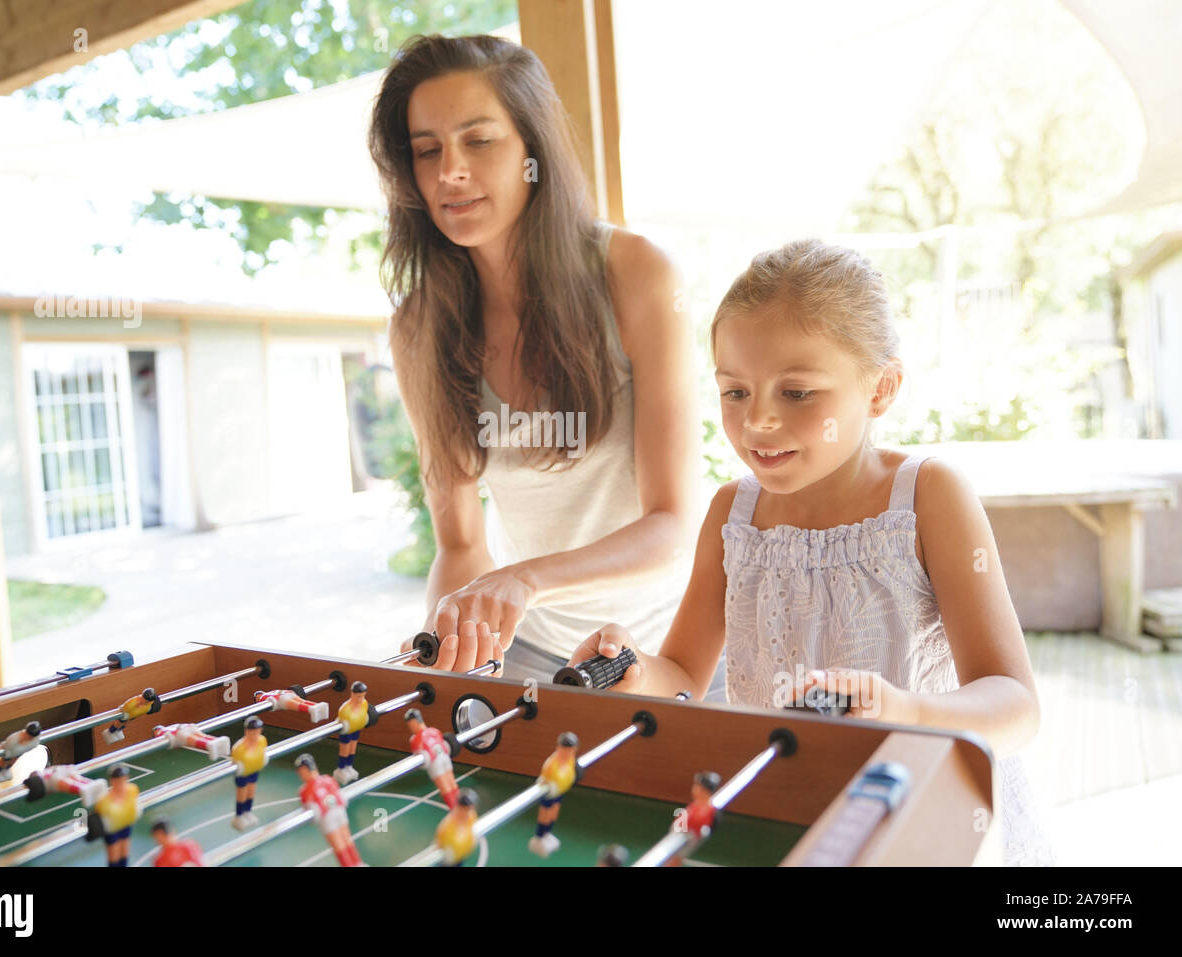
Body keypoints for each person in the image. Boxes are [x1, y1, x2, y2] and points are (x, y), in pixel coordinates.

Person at [567, 239, 1056, 867]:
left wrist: (902, 712)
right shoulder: (732, 514)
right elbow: (684, 676)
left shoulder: (928, 497)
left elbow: (1016, 704)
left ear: (881, 389)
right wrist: (636, 669)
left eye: (797, 393)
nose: (758, 422)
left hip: (932, 823)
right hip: (790, 818)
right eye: (735, 392)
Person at [368, 34, 704, 687]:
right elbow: (461, 544)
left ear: (533, 152)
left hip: (664, 649)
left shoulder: (637, 273)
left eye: (478, 140)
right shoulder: (418, 327)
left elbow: (671, 525)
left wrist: (522, 580)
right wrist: (445, 644)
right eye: (427, 150)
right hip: (530, 652)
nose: (450, 171)